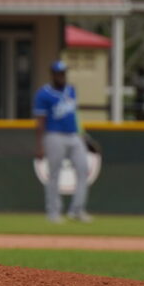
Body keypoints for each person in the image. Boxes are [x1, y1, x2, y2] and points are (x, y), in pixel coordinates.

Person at [33, 58, 93, 223]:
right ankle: (53, 212)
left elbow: (76, 115)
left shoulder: (71, 90)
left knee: (83, 169)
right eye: (58, 73)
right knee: (54, 174)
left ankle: (77, 209)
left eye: (63, 73)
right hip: (54, 135)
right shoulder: (43, 94)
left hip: (73, 135)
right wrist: (39, 146)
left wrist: (82, 135)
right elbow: (40, 122)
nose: (61, 76)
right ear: (52, 74)